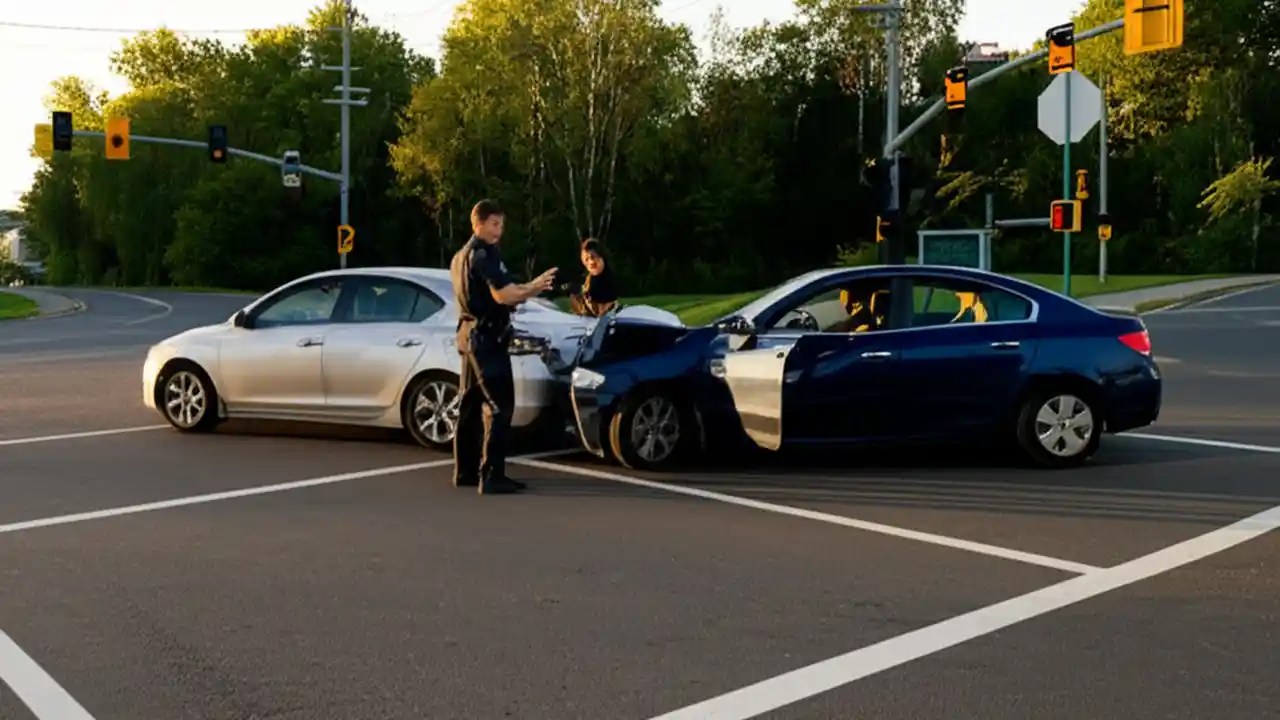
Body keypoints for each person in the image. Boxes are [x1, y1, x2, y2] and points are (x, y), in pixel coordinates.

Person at [449, 199, 557, 495]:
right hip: (487, 339)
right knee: (500, 406)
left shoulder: (460, 256)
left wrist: (525, 289)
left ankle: (466, 471)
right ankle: (492, 475)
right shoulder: (483, 254)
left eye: (501, 225)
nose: (499, 231)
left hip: (468, 336)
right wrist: (534, 287)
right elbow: (503, 295)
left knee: (469, 405)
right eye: (495, 224)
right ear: (479, 223)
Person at [567, 237, 620, 318]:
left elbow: (604, 311)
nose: (591, 262)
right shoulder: (587, 279)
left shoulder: (609, 279)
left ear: (602, 256)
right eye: (587, 259)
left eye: (593, 257)